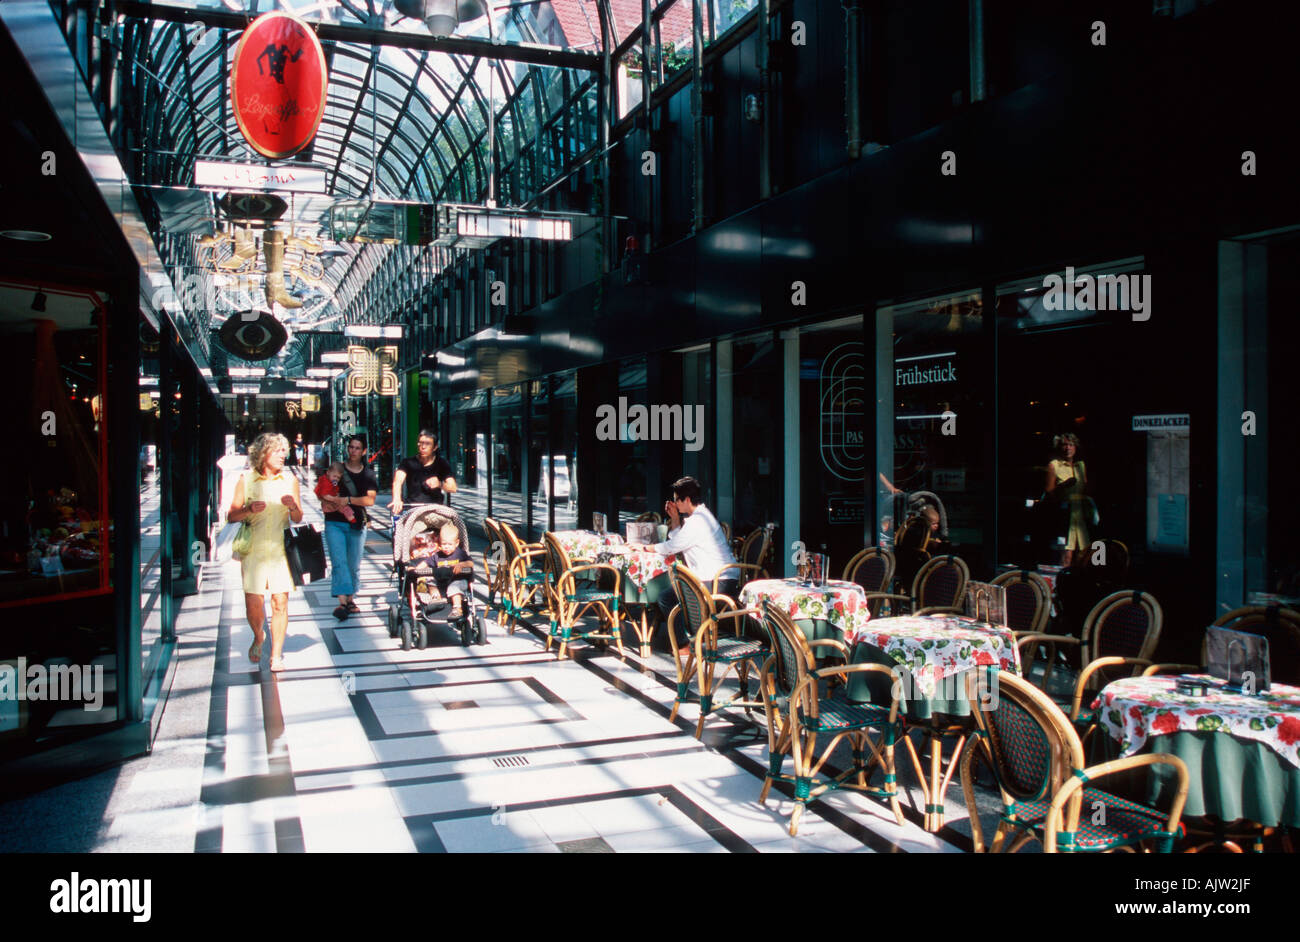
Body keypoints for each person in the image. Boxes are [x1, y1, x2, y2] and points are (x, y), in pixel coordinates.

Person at [628, 476, 739, 656]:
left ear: (686, 500)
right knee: (671, 593)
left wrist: (645, 548)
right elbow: (680, 540)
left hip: (718, 580)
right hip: (716, 577)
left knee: (666, 597)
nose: (675, 503)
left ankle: (684, 644)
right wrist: (675, 519)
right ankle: (690, 636)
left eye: (676, 500)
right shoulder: (699, 517)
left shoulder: (698, 521)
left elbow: (673, 547)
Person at [228, 432, 303, 673]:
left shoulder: (290, 480)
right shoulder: (246, 480)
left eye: (284, 451)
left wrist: (293, 506)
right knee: (254, 604)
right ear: (263, 454)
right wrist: (248, 509)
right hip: (254, 551)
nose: (283, 455)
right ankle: (258, 634)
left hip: (281, 549)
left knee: (280, 602)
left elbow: (298, 517)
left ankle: (276, 655)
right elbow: (231, 515)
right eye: (278, 451)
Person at [320, 434, 378, 621]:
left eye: (357, 448)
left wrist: (348, 500)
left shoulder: (368, 474)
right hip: (334, 522)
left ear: (364, 451)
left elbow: (370, 500)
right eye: (351, 447)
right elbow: (323, 488)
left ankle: (350, 599)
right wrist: (325, 500)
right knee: (339, 562)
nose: (353, 451)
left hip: (356, 523)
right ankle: (343, 602)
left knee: (353, 564)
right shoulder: (337, 468)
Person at [1045, 432, 1090, 566]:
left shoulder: (1081, 466)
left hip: (1081, 516)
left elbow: (1086, 489)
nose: (1068, 448)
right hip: (1064, 516)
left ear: (1075, 447)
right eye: (1064, 445)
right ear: (1059, 447)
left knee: (1085, 555)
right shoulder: (1054, 465)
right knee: (1066, 557)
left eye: (1071, 444)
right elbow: (1049, 493)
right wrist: (1063, 486)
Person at [410, 522, 473, 618]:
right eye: (444, 544)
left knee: (454, 587)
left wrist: (462, 564)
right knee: (428, 581)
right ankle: (436, 598)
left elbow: (470, 563)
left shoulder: (460, 554)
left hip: (457, 580)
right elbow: (426, 562)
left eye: (449, 544)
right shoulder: (437, 555)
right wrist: (416, 569)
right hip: (441, 580)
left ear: (456, 543)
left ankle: (457, 608)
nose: (446, 547)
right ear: (439, 543)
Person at [389, 429, 458, 515]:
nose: (423, 447)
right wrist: (397, 499)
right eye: (421, 443)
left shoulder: (441, 463)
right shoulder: (407, 462)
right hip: (414, 509)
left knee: (452, 528)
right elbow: (397, 481)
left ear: (435, 447)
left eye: (427, 444)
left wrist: (440, 484)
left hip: (435, 510)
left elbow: (453, 487)